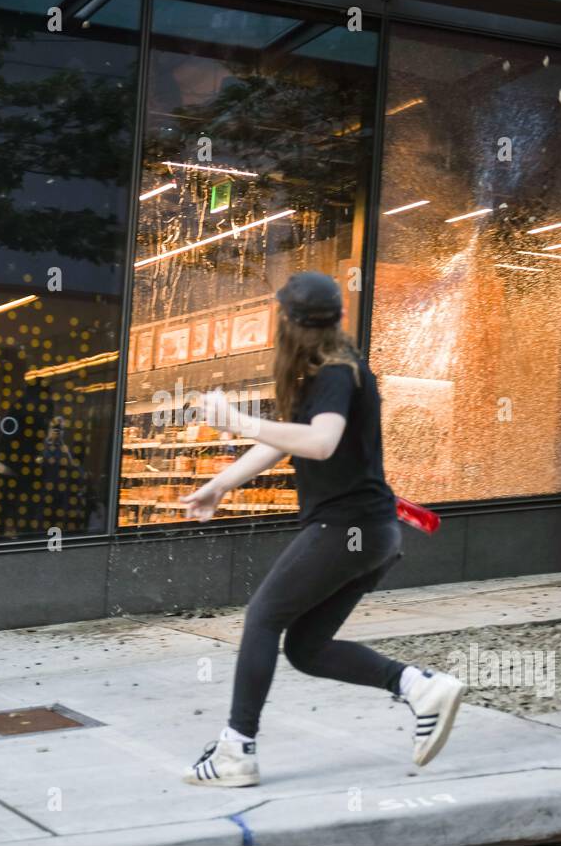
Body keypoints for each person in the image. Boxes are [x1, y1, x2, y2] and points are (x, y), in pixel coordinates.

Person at [178, 271, 464, 788]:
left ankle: (236, 750)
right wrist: (221, 483)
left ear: (287, 322)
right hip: (373, 533)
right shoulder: (331, 371)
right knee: (306, 649)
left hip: (346, 528)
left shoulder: (337, 373)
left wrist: (236, 420)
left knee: (263, 618)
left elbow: (322, 441)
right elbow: (291, 440)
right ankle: (418, 686)